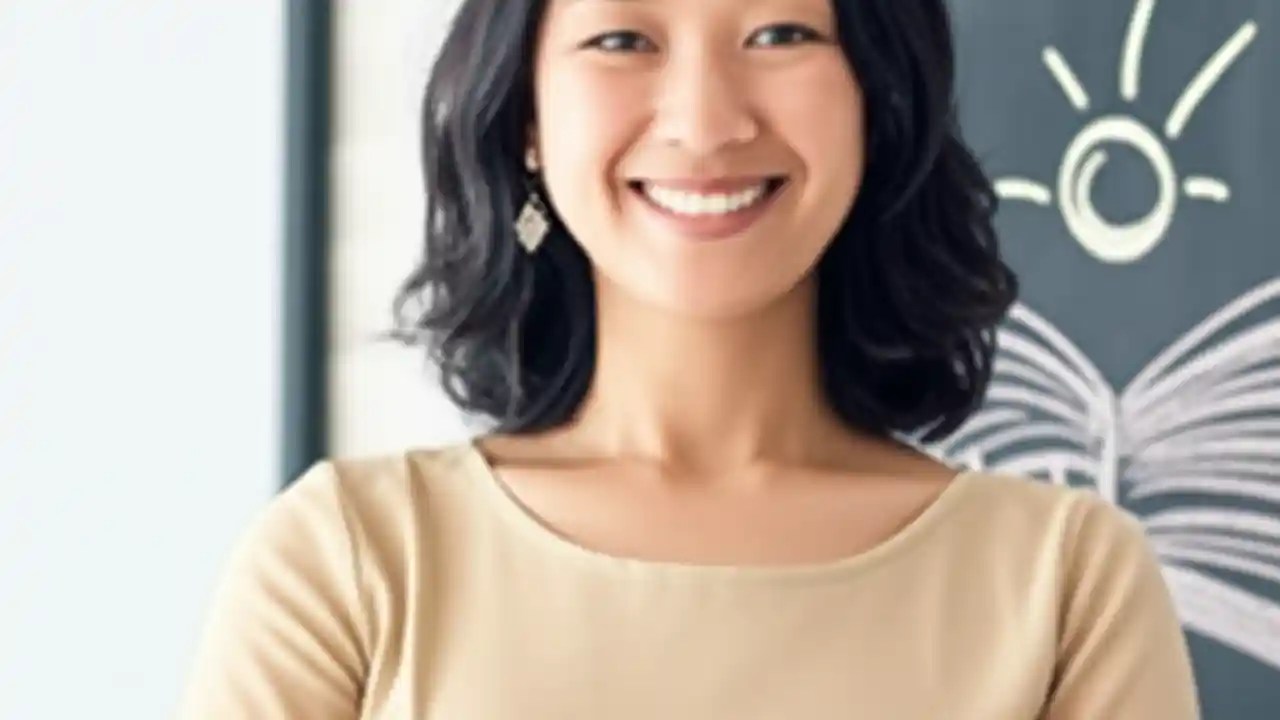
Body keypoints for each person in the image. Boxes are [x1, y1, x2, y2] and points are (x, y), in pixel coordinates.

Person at [176, 0, 1201, 717]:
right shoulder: (351, 563)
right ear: (525, 114)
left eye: (779, 33)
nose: (705, 123)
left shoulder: (1063, 584)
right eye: (622, 38)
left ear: (874, 103)